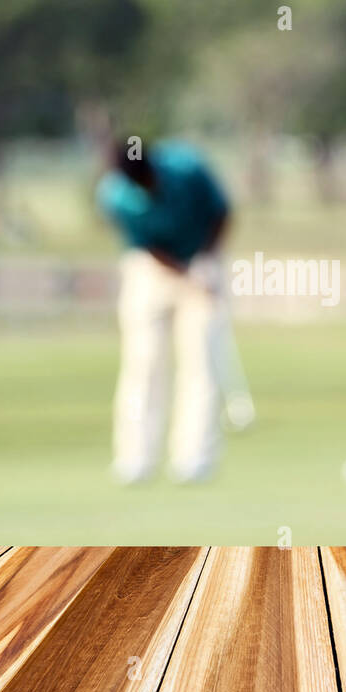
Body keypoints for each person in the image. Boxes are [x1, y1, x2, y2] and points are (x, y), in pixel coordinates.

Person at [97, 138, 231, 483]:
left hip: (202, 261)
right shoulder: (116, 195)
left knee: (201, 361)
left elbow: (221, 213)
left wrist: (206, 259)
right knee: (143, 362)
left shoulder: (186, 168)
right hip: (151, 271)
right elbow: (147, 246)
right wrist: (185, 274)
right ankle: (135, 458)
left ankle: (194, 458)